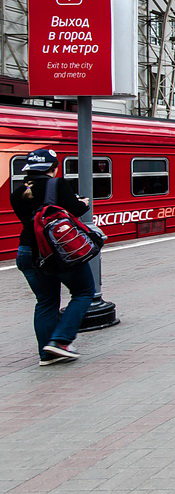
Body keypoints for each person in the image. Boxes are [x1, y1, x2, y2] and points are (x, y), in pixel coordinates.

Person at [10, 148, 94, 365]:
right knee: (84, 292)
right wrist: (83, 203)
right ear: (54, 168)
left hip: (27, 252)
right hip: (58, 252)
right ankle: (61, 341)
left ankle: (47, 354)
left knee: (46, 303)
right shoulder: (58, 184)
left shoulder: (17, 192)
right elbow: (75, 210)